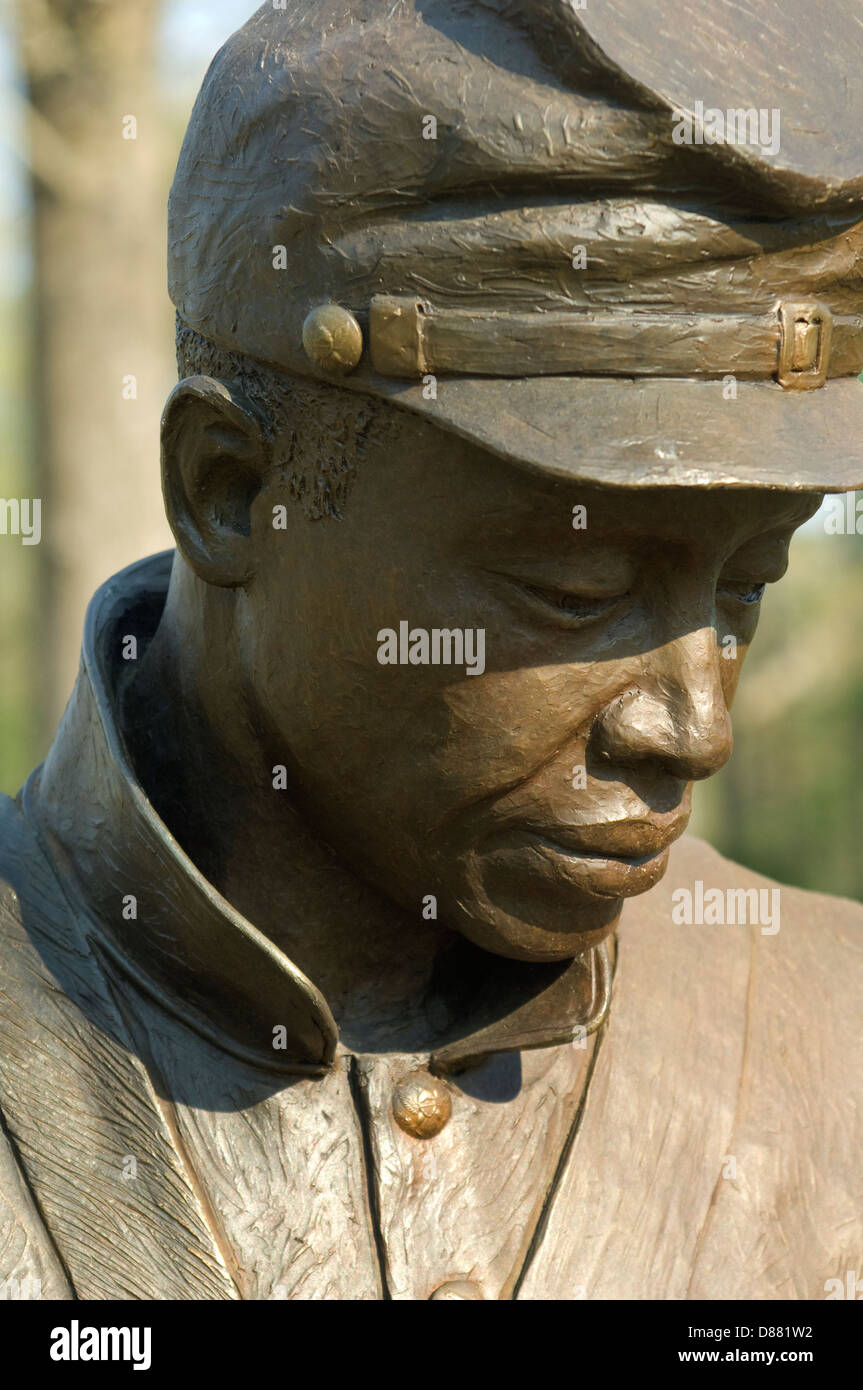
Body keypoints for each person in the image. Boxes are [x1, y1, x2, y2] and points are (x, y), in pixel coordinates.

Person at [1, 0, 861, 1300]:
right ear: (234, 490)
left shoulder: (831, 1041)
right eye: (576, 586)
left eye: (749, 583)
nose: (696, 728)